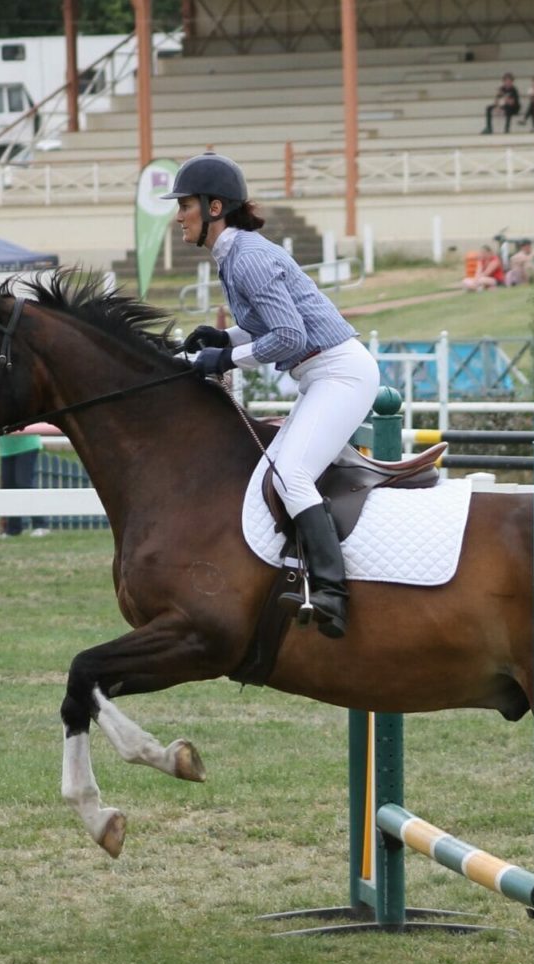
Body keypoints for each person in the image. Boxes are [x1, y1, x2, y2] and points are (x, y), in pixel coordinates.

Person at [165, 152, 379, 640]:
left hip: (339, 374)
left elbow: (288, 336)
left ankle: (332, 594)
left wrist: (226, 359)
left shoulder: (247, 258)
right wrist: (226, 338)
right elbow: (272, 325)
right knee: (277, 473)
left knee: (291, 476)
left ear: (215, 208)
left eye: (185, 205)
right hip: (324, 373)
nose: (179, 216)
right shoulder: (236, 253)